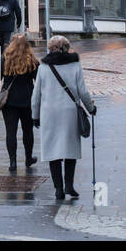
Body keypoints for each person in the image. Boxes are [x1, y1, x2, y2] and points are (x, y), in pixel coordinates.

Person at [32, 35, 96, 200]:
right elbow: (83, 91)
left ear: (50, 48)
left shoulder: (43, 68)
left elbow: (36, 95)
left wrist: (35, 116)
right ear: (67, 48)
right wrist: (91, 108)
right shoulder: (75, 65)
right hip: (69, 113)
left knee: (53, 152)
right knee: (70, 150)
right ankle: (69, 185)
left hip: (49, 113)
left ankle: (58, 189)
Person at [0, 33, 38, 173]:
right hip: (27, 100)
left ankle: (13, 161)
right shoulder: (32, 60)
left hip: (8, 101)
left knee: (11, 132)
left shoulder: (5, 58)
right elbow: (38, 80)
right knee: (28, 131)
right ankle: (28, 158)